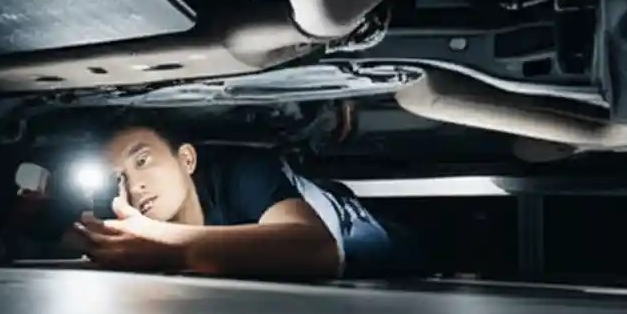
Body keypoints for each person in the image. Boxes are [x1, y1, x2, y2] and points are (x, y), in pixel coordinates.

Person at [69, 114, 425, 279]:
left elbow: (317, 248)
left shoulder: (243, 171)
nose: (135, 186)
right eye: (119, 178)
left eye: (142, 161)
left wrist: (163, 243)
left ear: (187, 159)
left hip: (363, 228)